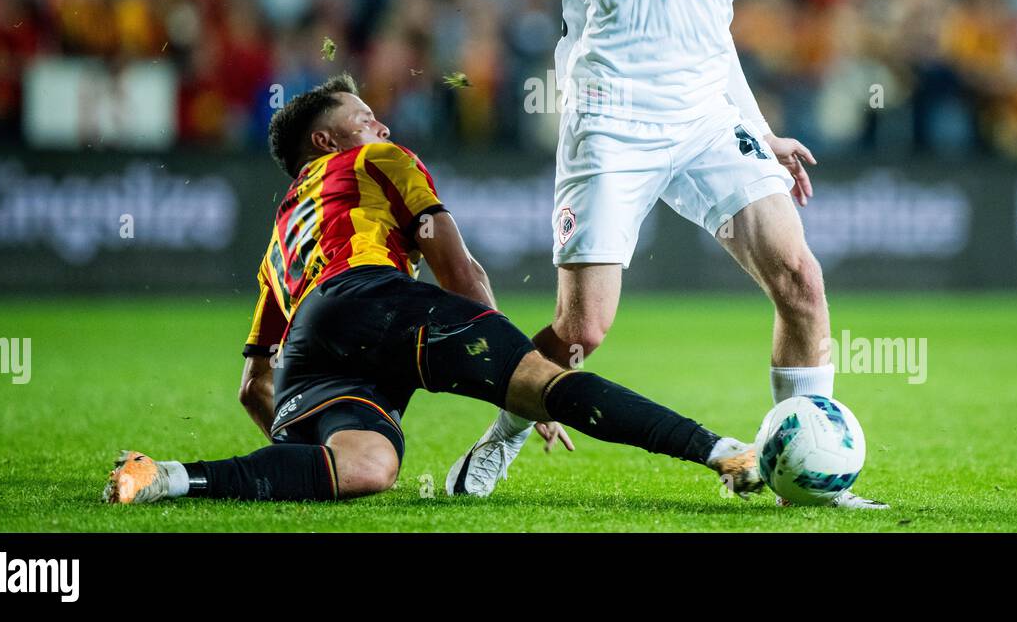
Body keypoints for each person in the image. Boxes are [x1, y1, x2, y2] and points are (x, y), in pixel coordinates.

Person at [457, 0, 885, 507]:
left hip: (702, 113)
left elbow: (710, 27)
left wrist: (759, 129)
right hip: (611, 112)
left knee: (801, 279)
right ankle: (497, 441)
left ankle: (808, 479)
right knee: (582, 330)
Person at [103, 75, 760, 504]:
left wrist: (292, 444)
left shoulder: (281, 231)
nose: (382, 128)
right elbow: (460, 268)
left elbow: (254, 385)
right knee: (549, 386)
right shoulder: (374, 161)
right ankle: (722, 454)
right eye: (366, 118)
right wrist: (512, 367)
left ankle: (165, 478)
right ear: (326, 139)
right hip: (372, 301)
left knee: (364, 466)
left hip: (313, 343)